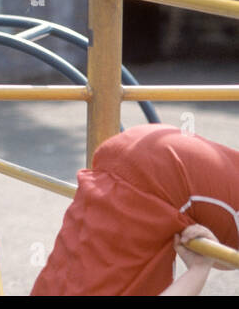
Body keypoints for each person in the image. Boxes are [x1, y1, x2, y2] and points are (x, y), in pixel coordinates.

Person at [31, 125, 239, 296]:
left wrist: (198, 269)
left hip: (162, 174)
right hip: (128, 151)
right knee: (229, 256)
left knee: (229, 255)